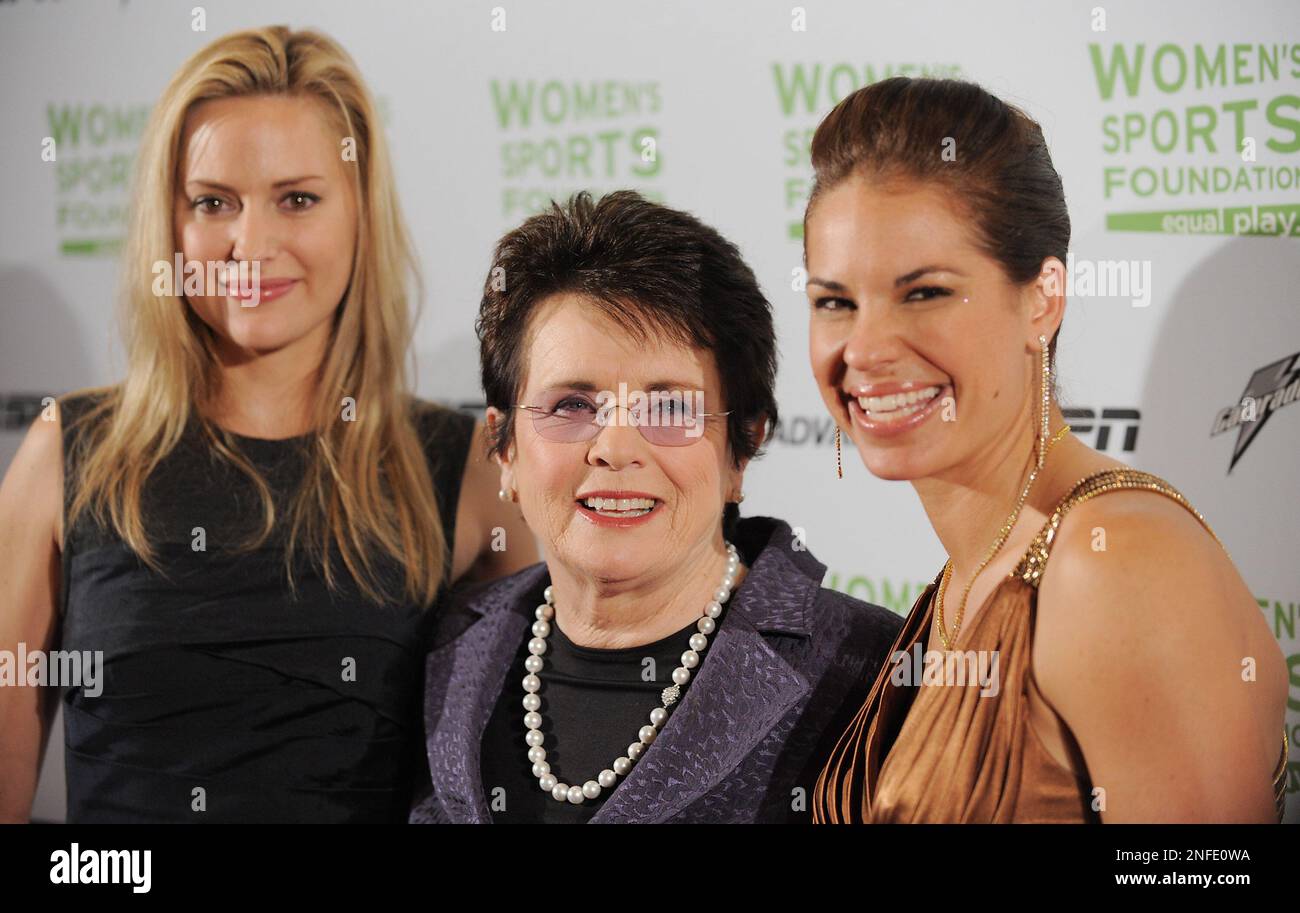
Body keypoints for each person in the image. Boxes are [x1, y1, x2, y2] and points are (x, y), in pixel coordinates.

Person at [0, 26, 534, 823]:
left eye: (297, 199)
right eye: (213, 202)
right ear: (169, 224)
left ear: (360, 211)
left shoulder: (468, 473)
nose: (251, 245)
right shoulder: (67, 454)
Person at [804, 77, 1288, 823]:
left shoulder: (1112, 562)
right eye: (835, 301)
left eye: (924, 292)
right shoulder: (971, 572)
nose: (864, 348)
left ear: (1042, 299)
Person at [410, 190, 902, 823]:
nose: (615, 448)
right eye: (571, 406)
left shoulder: (871, 675)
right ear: (504, 449)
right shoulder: (447, 651)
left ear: (740, 452)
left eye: (669, 408)